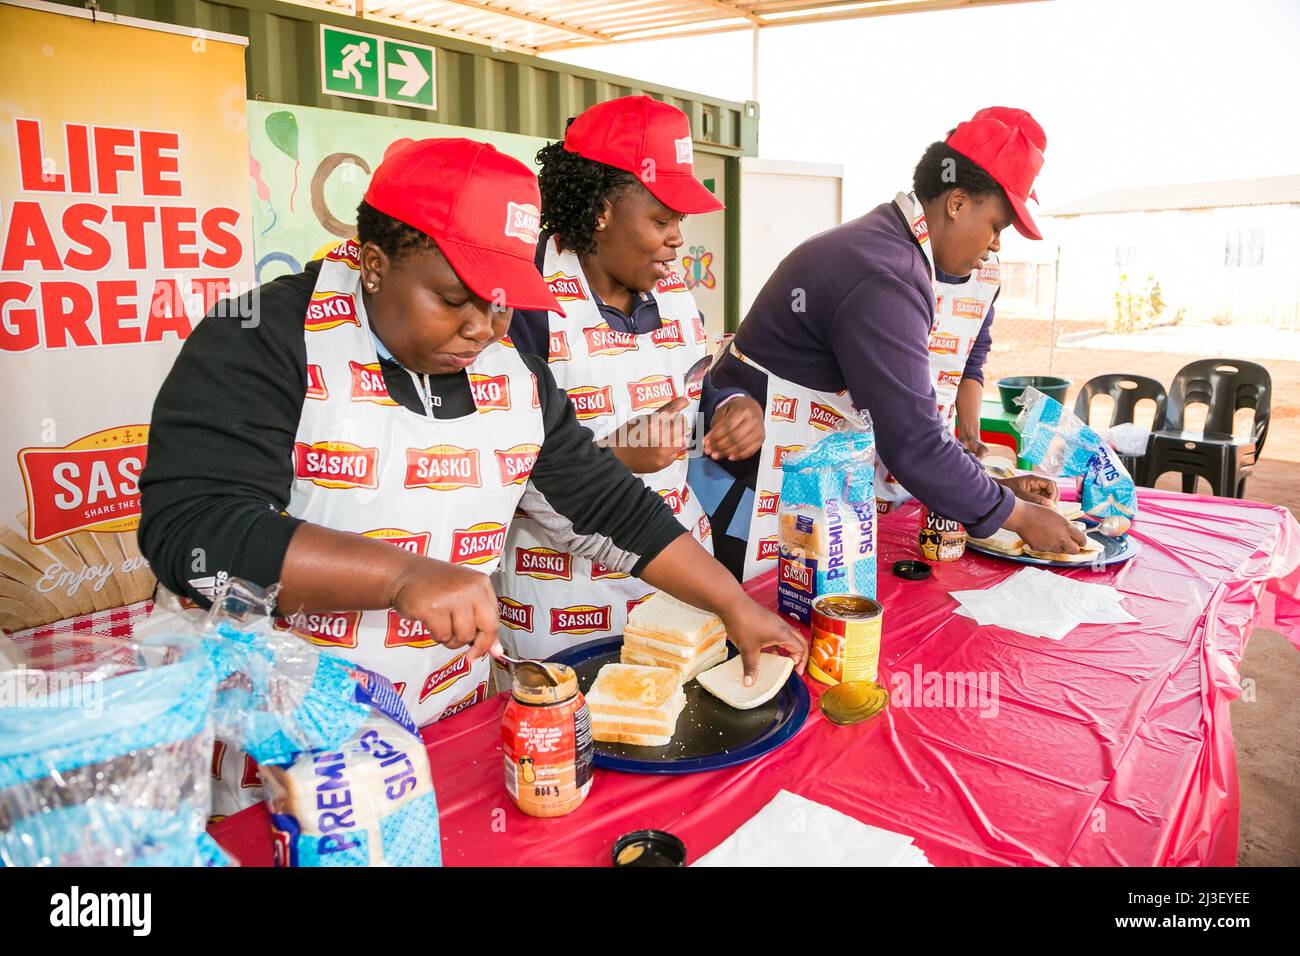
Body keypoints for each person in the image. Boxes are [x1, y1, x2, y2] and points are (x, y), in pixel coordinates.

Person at [139, 138, 806, 810]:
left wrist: (731, 603)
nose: (482, 329)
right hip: (275, 754)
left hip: (441, 730)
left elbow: (605, 506)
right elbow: (193, 530)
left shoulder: (508, 361)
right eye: (455, 299)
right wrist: (402, 577)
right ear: (373, 264)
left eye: (500, 304)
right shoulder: (261, 336)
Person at [697, 107, 1086, 580]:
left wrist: (994, 486)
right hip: (749, 498)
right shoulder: (888, 273)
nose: (996, 245)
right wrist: (1018, 516)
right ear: (957, 202)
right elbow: (914, 442)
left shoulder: (888, 243)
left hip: (783, 486)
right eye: (997, 225)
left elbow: (906, 418)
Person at [499, 96, 765, 658]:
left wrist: (731, 406)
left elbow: (700, 385)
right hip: (562, 598)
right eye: (662, 219)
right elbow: (496, 467)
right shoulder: (523, 299)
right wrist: (618, 454)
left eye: (680, 222)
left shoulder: (671, 288)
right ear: (601, 210)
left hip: (681, 584)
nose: (677, 239)